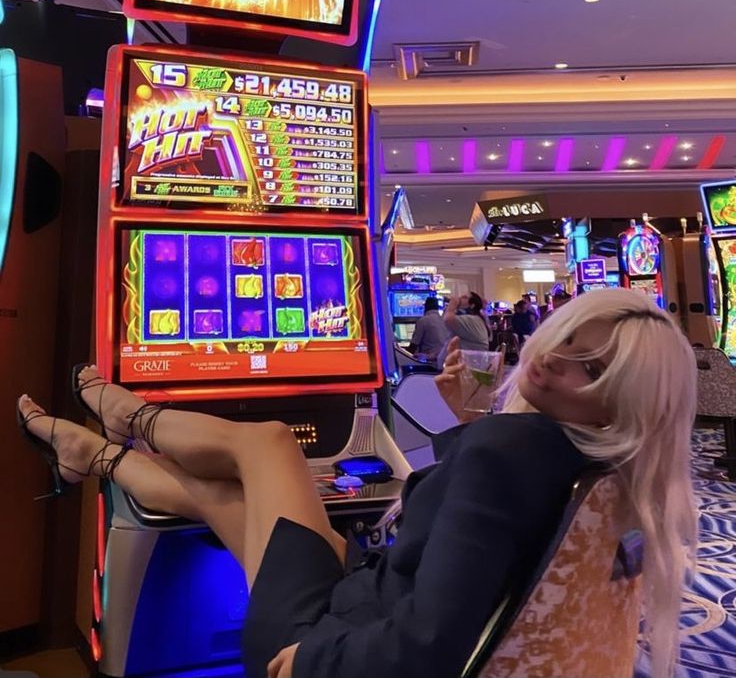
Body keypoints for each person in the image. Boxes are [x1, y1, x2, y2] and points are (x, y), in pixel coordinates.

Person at [17, 289, 697, 678]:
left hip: (323, 637)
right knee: (225, 498)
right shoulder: (600, 464)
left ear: (622, 400)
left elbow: (430, 641)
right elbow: (482, 521)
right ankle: (92, 452)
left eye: (591, 366)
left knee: (270, 443)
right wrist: (465, 423)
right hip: (365, 596)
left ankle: (124, 410)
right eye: (570, 337)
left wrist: (309, 662)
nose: (556, 358)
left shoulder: (509, 448)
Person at [407, 295, 447, 365]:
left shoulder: (423, 320)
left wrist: (404, 354)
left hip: (429, 360)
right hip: (444, 358)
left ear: (426, 307)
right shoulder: (444, 320)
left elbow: (414, 344)